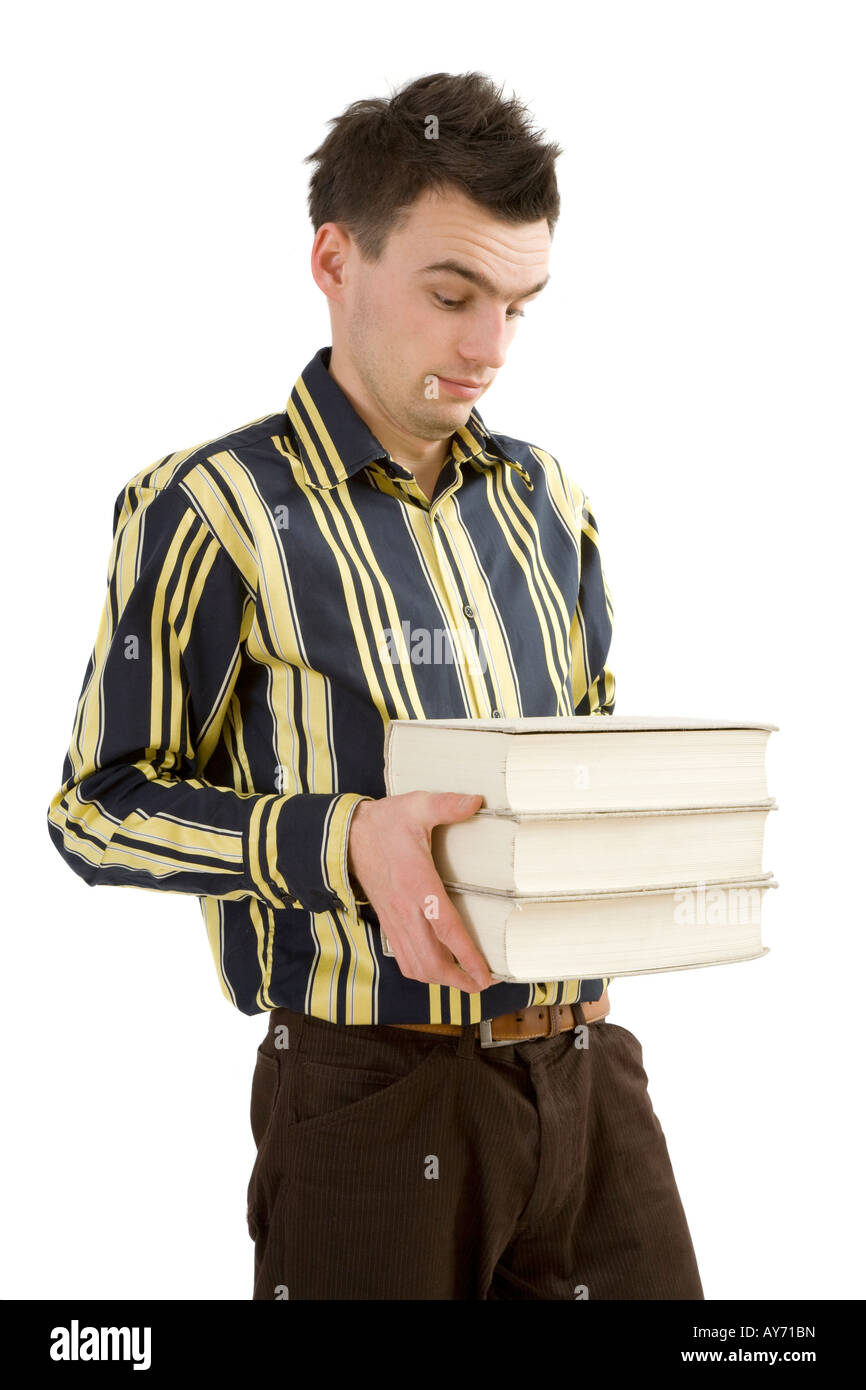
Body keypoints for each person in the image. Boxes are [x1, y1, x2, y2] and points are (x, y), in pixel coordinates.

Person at [47, 70, 704, 1301]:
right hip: (370, 1093)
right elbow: (97, 808)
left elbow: (587, 751)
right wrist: (347, 839)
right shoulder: (214, 508)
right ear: (335, 260)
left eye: (519, 304)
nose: (487, 348)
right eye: (453, 294)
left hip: (589, 1080)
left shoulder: (546, 502)